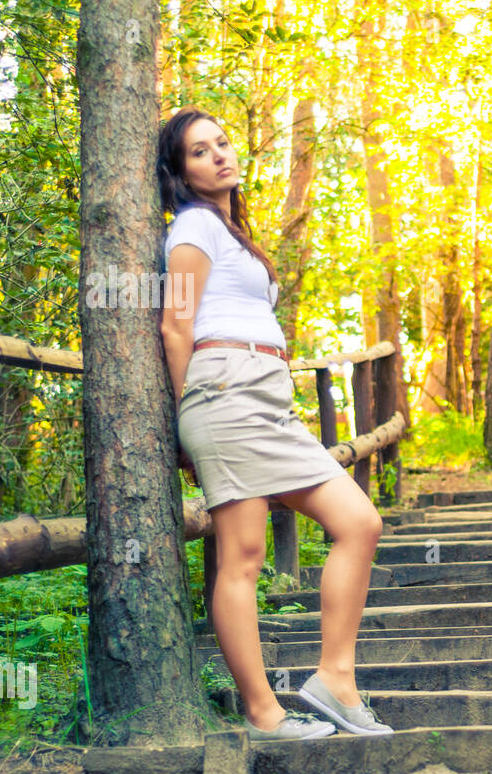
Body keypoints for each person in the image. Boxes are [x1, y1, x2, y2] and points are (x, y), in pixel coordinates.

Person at [156, 106, 392, 741]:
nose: (220, 156)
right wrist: (186, 414)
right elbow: (176, 325)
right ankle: (264, 713)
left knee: (360, 522)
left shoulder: (233, 234)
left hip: (267, 394)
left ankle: (334, 680)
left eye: (223, 144)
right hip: (222, 389)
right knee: (243, 557)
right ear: (180, 171)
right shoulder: (193, 228)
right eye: (200, 151)